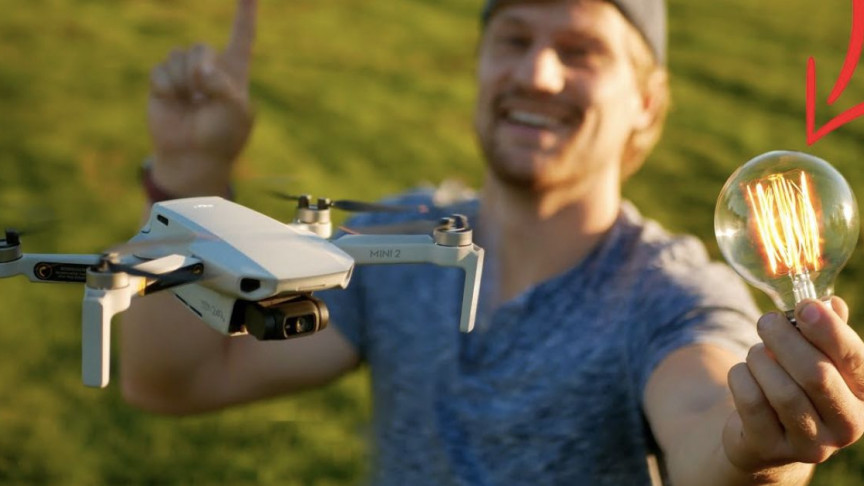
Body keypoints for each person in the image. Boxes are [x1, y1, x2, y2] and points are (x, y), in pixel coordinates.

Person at [121, 0, 864, 484]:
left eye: (581, 50)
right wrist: (190, 178)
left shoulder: (667, 297)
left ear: (647, 105)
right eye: (514, 38)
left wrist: (755, 447)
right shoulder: (398, 249)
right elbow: (173, 380)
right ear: (479, 64)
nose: (538, 74)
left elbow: (708, 428)